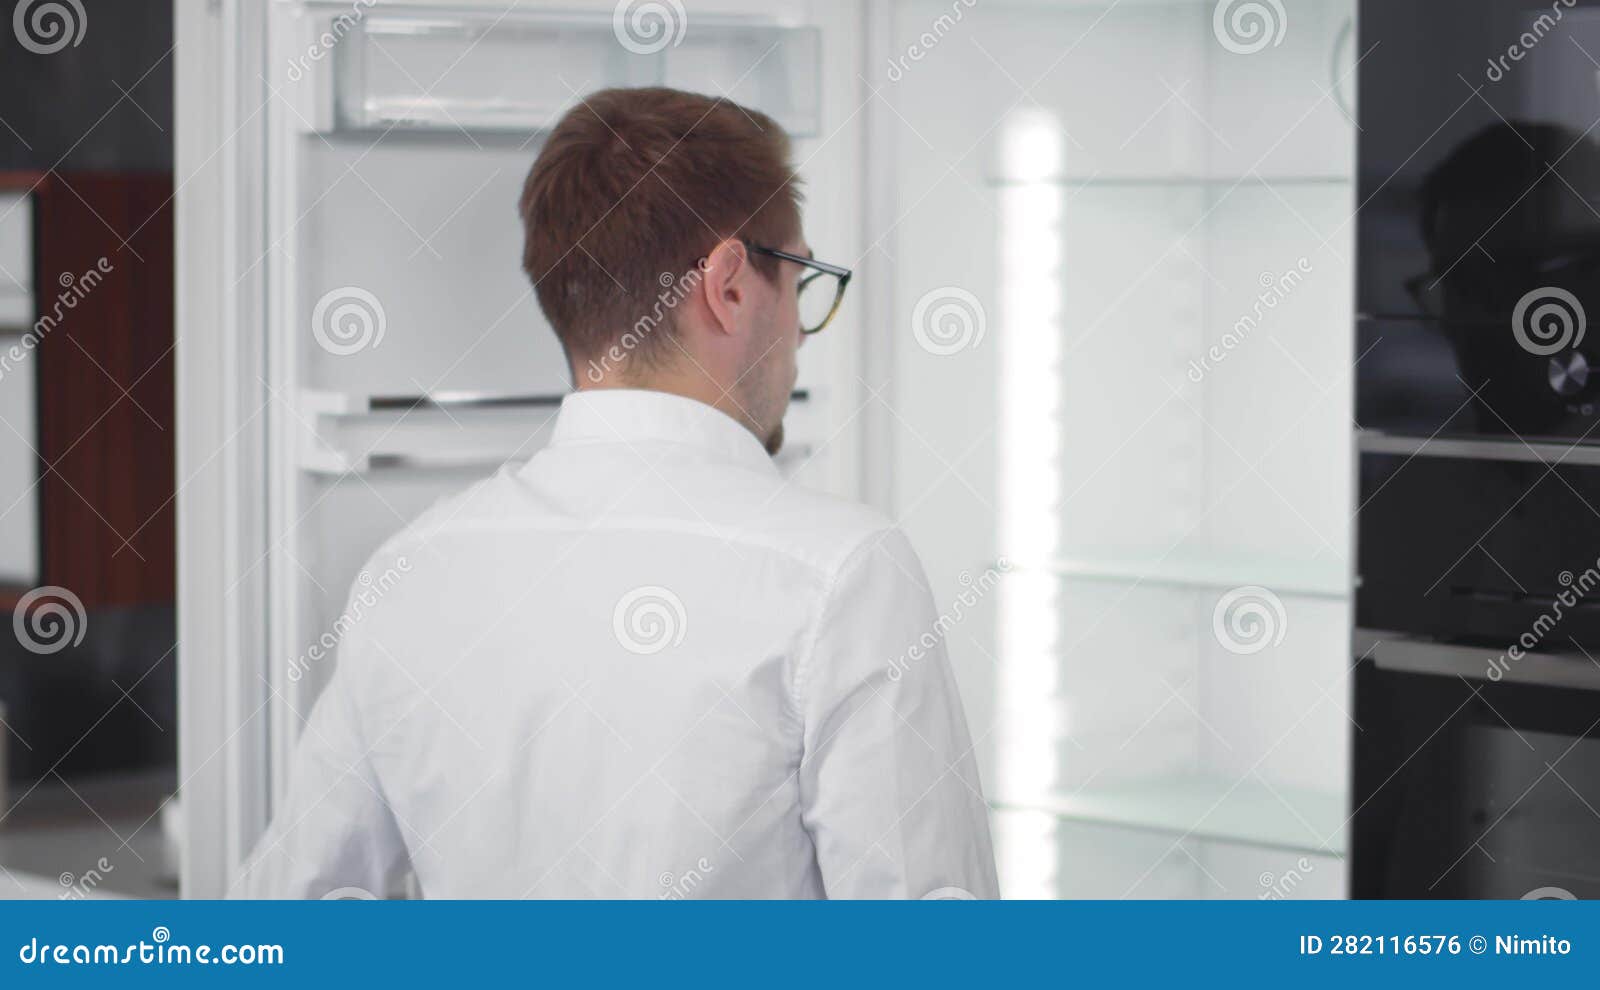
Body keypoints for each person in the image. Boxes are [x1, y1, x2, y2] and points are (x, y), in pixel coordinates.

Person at [237, 87, 997, 899]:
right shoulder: (843, 575)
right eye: (800, 280)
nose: (800, 337)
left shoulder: (408, 572)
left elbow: (285, 918)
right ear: (731, 284)